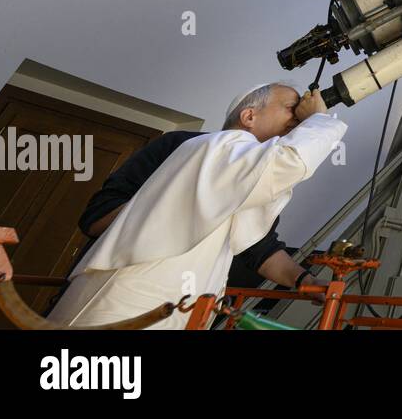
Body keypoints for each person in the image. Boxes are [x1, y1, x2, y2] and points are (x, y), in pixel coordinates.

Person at [48, 83, 345, 328]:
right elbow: (289, 161)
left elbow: (257, 246)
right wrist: (320, 120)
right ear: (249, 116)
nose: (299, 118)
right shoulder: (215, 147)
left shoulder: (244, 174)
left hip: (178, 313)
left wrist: (305, 281)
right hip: (128, 305)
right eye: (292, 109)